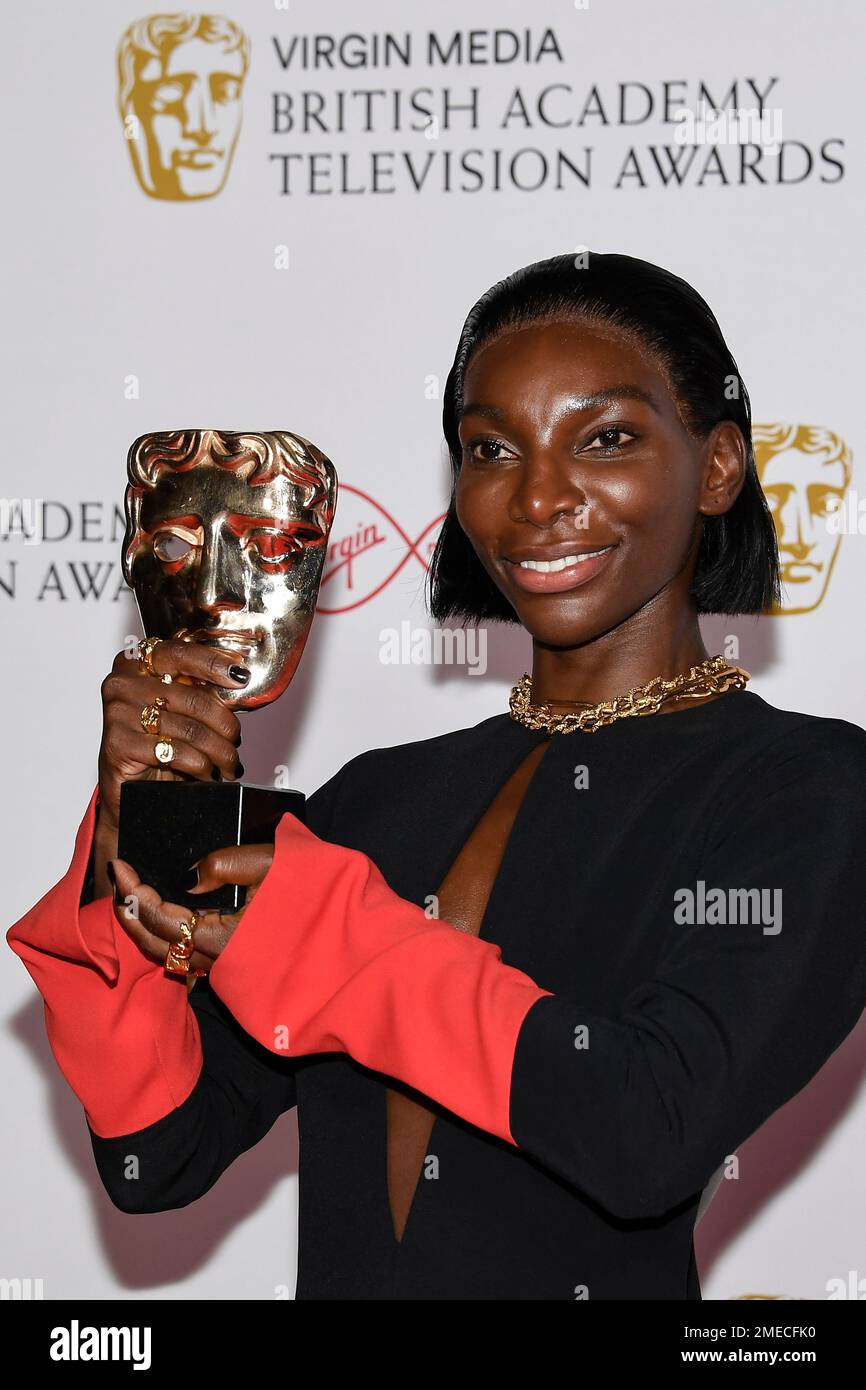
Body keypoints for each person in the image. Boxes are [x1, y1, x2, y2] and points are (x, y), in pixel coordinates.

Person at [9, 252, 866, 1301]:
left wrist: (334, 937)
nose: (539, 493)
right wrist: (141, 827)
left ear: (718, 465)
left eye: (605, 437)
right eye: (490, 447)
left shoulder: (805, 789)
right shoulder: (376, 799)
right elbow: (157, 1157)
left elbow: (647, 1132)